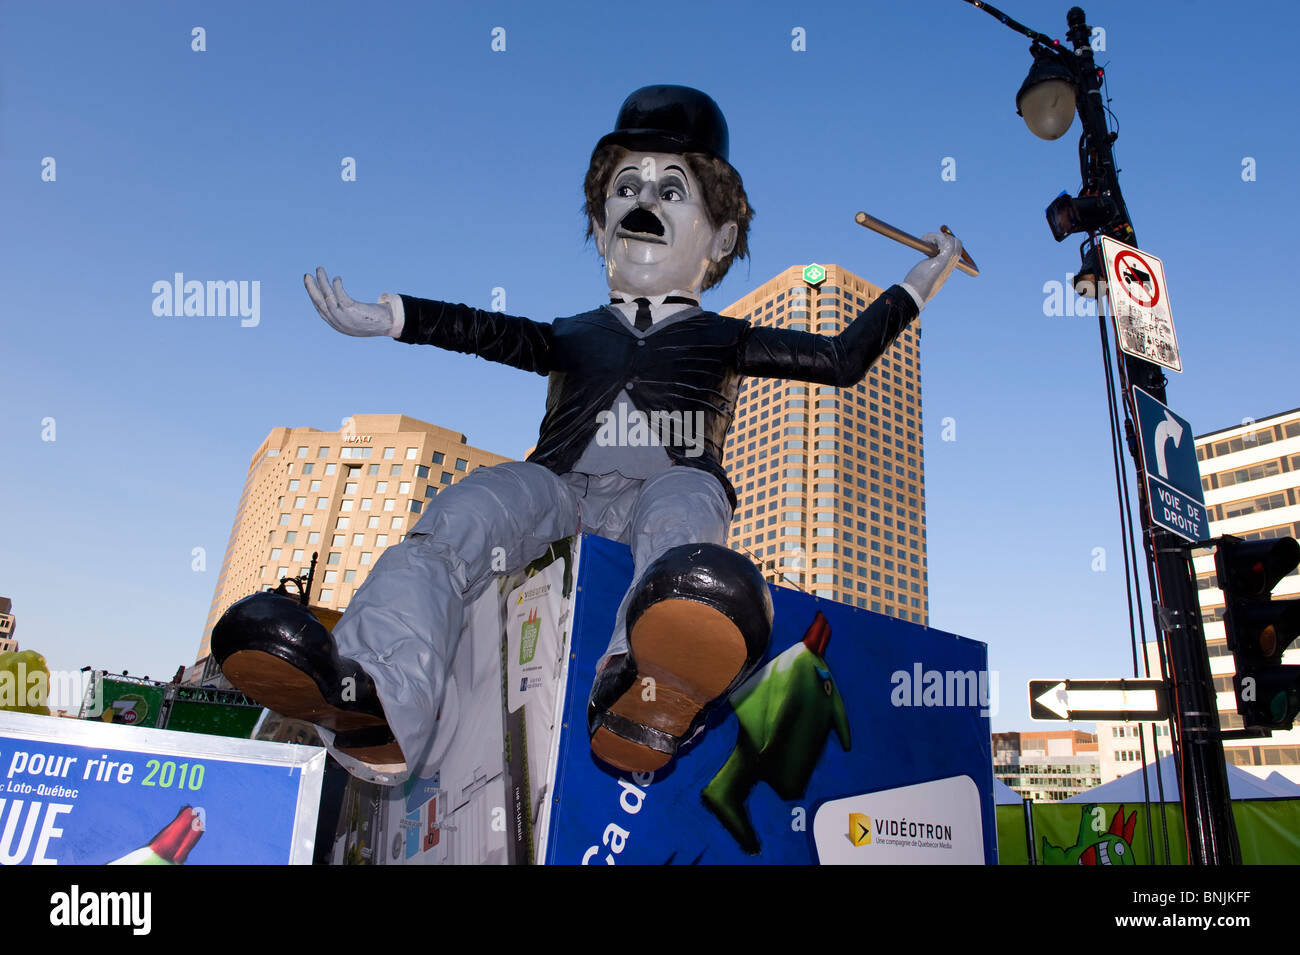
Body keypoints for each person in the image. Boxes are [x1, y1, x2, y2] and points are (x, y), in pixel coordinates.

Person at [213, 85, 962, 785]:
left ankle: (647, 682)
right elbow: (485, 331)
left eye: (672, 190)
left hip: (667, 482)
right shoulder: (573, 332)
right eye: (625, 190)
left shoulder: (721, 336)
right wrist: (395, 316)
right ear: (601, 228)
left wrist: (922, 277)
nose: (643, 203)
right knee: (461, 515)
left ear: (721, 237)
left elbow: (838, 358)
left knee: (686, 524)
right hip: (558, 491)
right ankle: (375, 695)